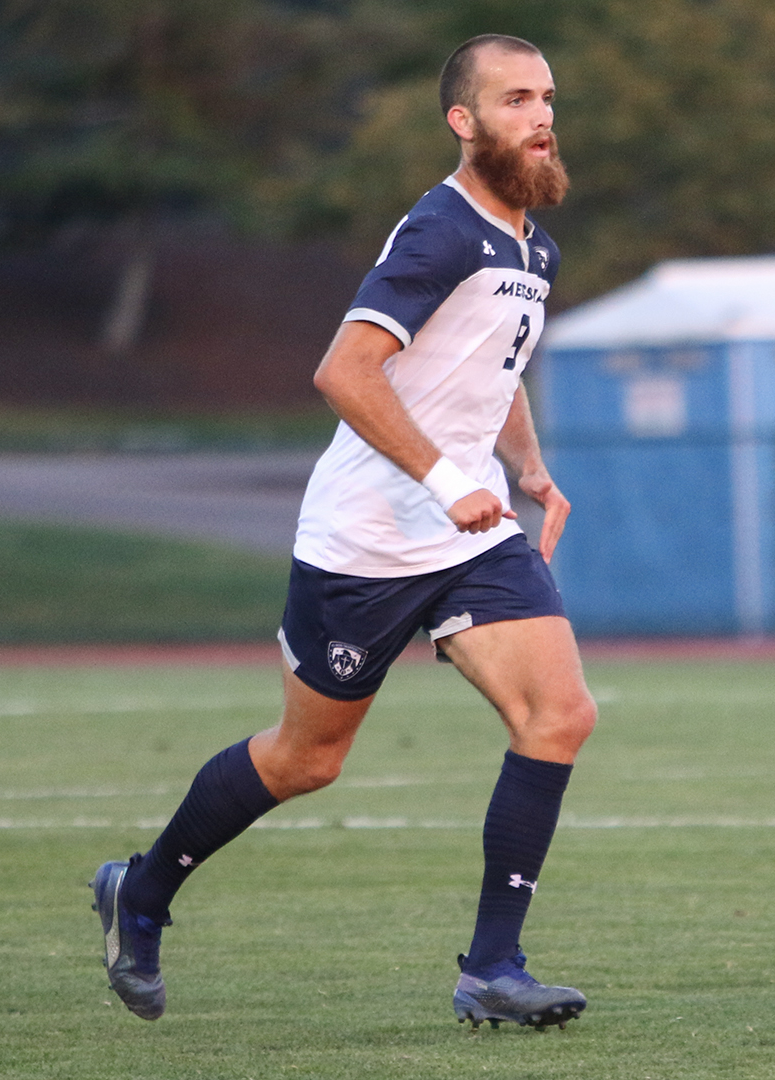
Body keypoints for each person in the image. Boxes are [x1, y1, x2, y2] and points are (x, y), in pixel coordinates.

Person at [90, 33, 597, 1029]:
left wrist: (525, 467)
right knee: (306, 759)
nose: (540, 118)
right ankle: (140, 895)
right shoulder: (442, 229)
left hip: (472, 533)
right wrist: (451, 479)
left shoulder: (533, 244)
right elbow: (344, 372)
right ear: (464, 121)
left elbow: (488, 372)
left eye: (546, 99)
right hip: (366, 536)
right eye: (515, 101)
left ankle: (493, 967)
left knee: (561, 715)